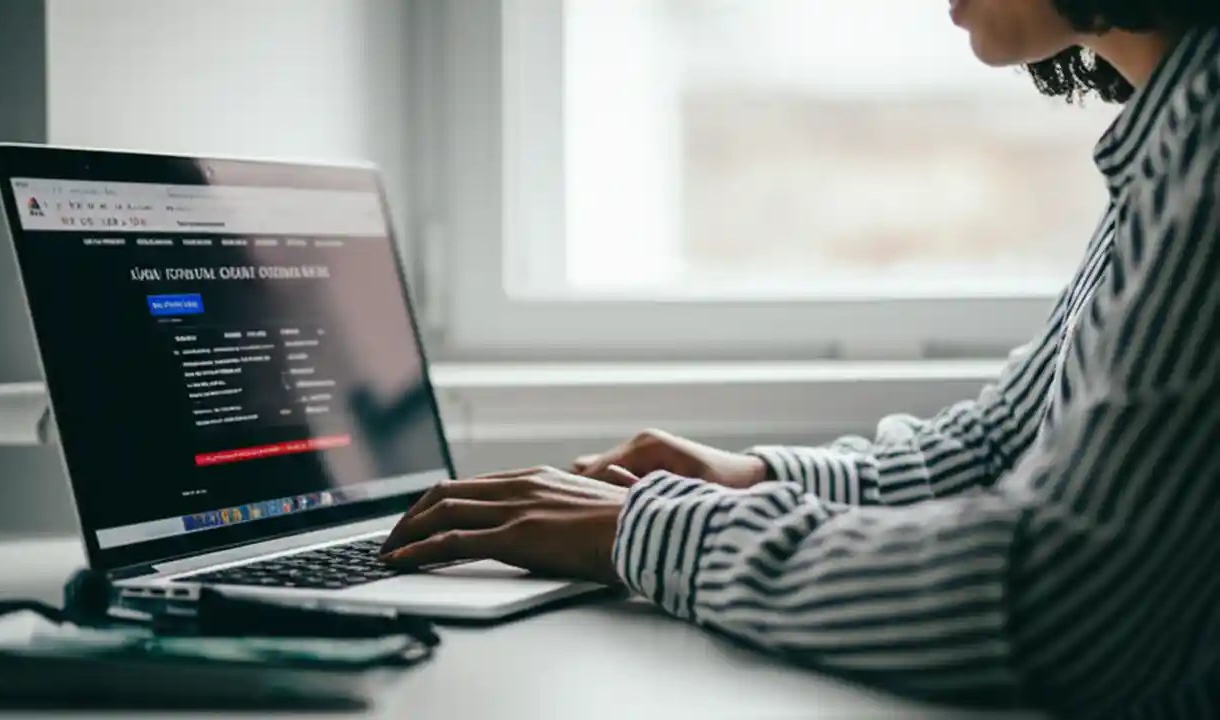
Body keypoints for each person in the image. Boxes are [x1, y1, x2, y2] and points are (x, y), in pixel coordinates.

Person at [382, 1, 1220, 716]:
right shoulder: (1172, 134)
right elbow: (1001, 447)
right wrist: (754, 477)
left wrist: (642, 530)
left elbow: (1064, 600)